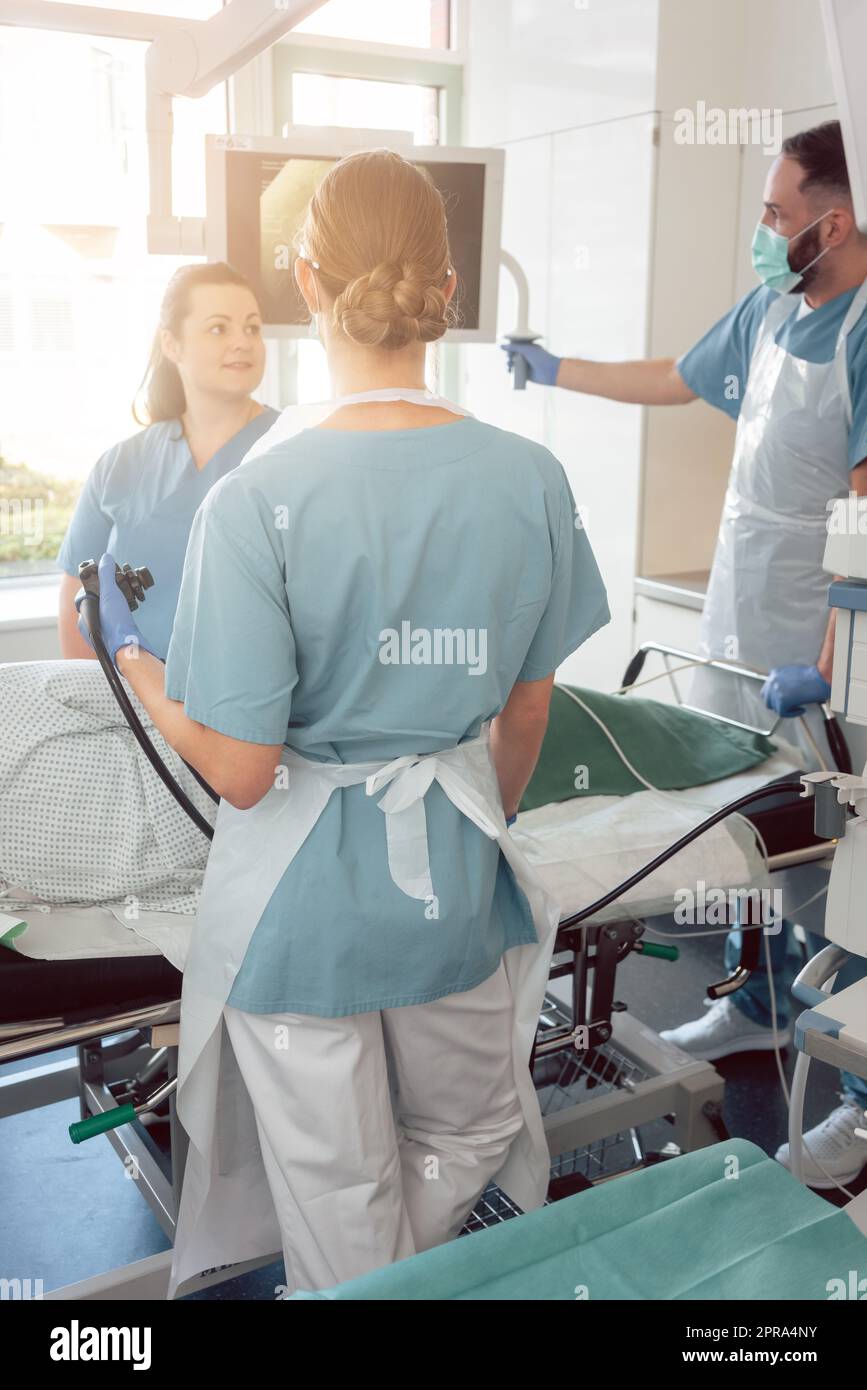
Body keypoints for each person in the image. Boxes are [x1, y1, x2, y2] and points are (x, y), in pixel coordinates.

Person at [80, 149, 610, 1296]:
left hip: (296, 909)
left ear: (306, 281)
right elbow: (527, 705)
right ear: (447, 281)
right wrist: (482, 811)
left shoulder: (258, 498)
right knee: (469, 1133)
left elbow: (244, 767)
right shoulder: (530, 475)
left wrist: (150, 679)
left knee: (336, 1192)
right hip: (455, 886)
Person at [505, 120, 867, 1188]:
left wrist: (838, 665)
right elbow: (675, 376)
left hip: (820, 655)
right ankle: (758, 1007)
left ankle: (854, 1093)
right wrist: (557, 368)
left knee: (831, 872)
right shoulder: (769, 309)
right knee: (755, 841)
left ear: (830, 221)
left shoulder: (860, 331)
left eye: (775, 214)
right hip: (735, 629)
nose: (763, 231)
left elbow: (866, 528)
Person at [57, 262, 279, 660]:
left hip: (255, 712)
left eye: (252, 327)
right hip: (130, 709)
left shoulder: (290, 452)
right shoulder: (120, 466)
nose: (243, 341)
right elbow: (78, 604)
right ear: (172, 344)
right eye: (218, 328)